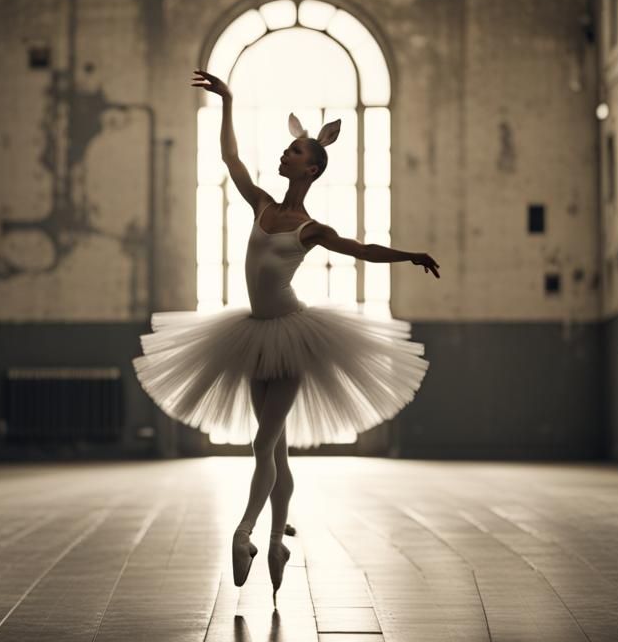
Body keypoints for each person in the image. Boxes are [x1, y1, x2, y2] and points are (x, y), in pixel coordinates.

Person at [133, 69, 439, 604]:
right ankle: (278, 543)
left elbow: (362, 249)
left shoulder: (309, 228)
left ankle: (247, 534)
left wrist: (408, 255)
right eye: (286, 150)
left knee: (262, 442)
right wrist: (228, 102)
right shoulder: (261, 205)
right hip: (252, 335)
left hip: (295, 337)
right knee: (278, 455)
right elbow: (230, 161)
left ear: (313, 166)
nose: (285, 156)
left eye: (295, 152)